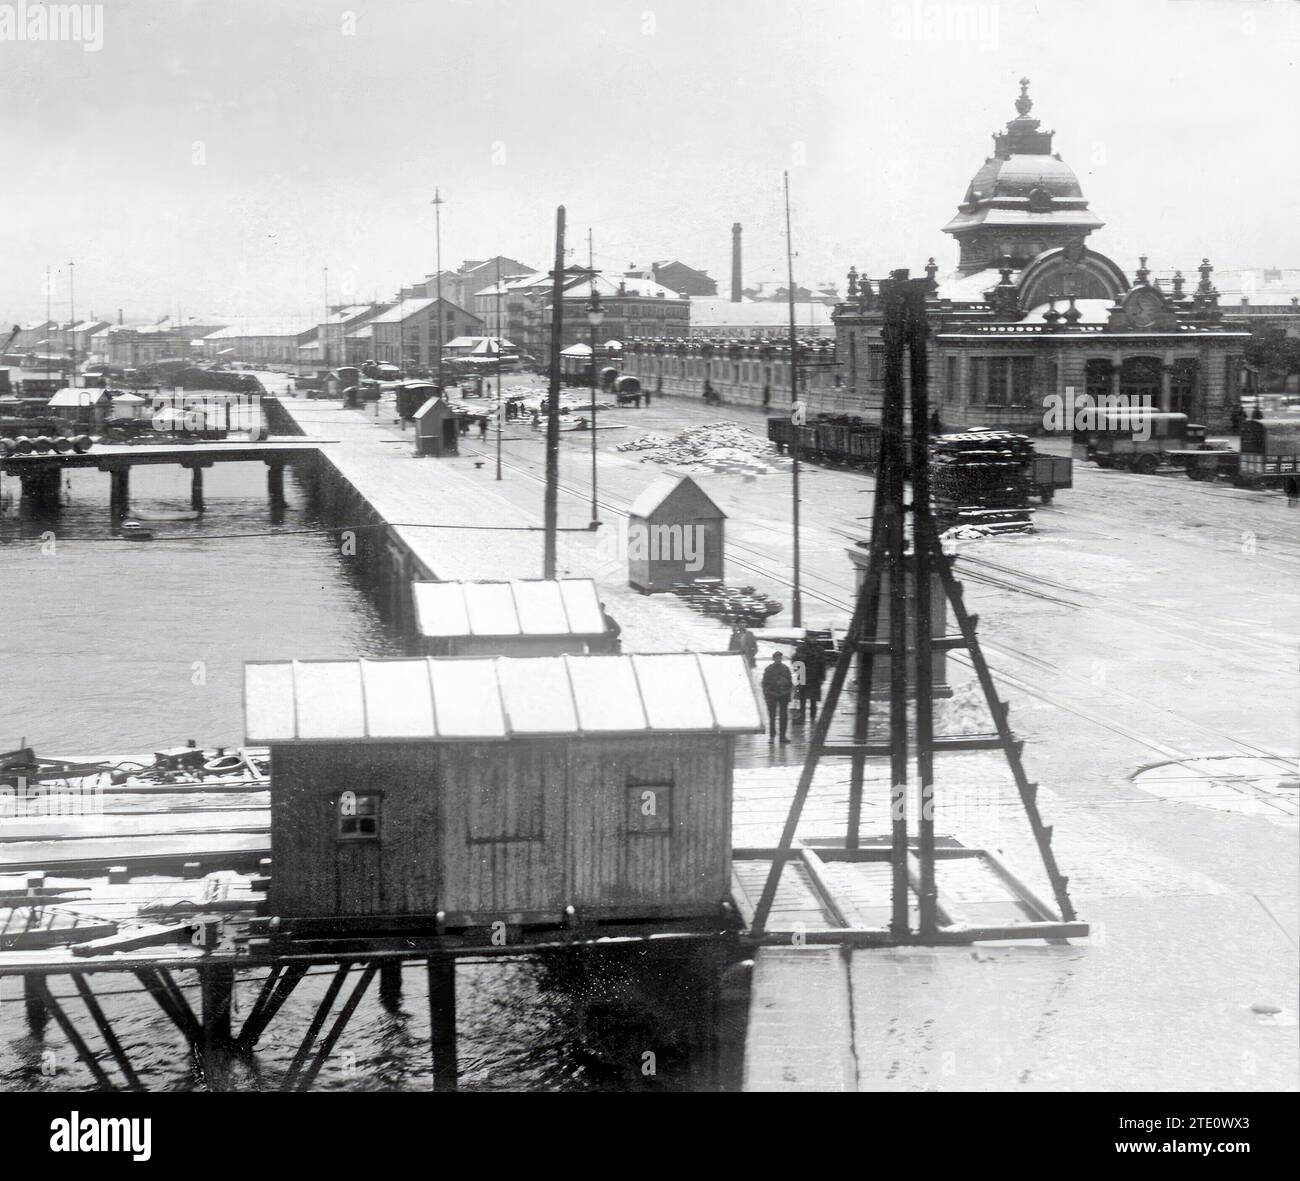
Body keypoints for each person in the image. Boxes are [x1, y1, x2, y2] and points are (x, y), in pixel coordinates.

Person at [792, 636, 827, 724]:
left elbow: (823, 664)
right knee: (802, 700)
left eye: (813, 637)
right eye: (810, 637)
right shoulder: (801, 649)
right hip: (803, 677)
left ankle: (812, 720)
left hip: (815, 679)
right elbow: (794, 662)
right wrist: (798, 671)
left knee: (813, 702)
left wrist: (822, 677)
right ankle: (802, 719)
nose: (812, 639)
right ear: (807, 638)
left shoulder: (820, 649)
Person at [761, 652, 793, 743]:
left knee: (784, 716)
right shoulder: (769, 669)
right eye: (777, 657)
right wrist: (766, 694)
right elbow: (764, 683)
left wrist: (788, 693)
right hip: (772, 695)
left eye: (780, 657)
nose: (779, 659)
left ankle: (782, 736)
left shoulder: (785, 669)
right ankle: (772, 736)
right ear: (773, 658)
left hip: (784, 695)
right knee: (772, 716)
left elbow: (790, 683)